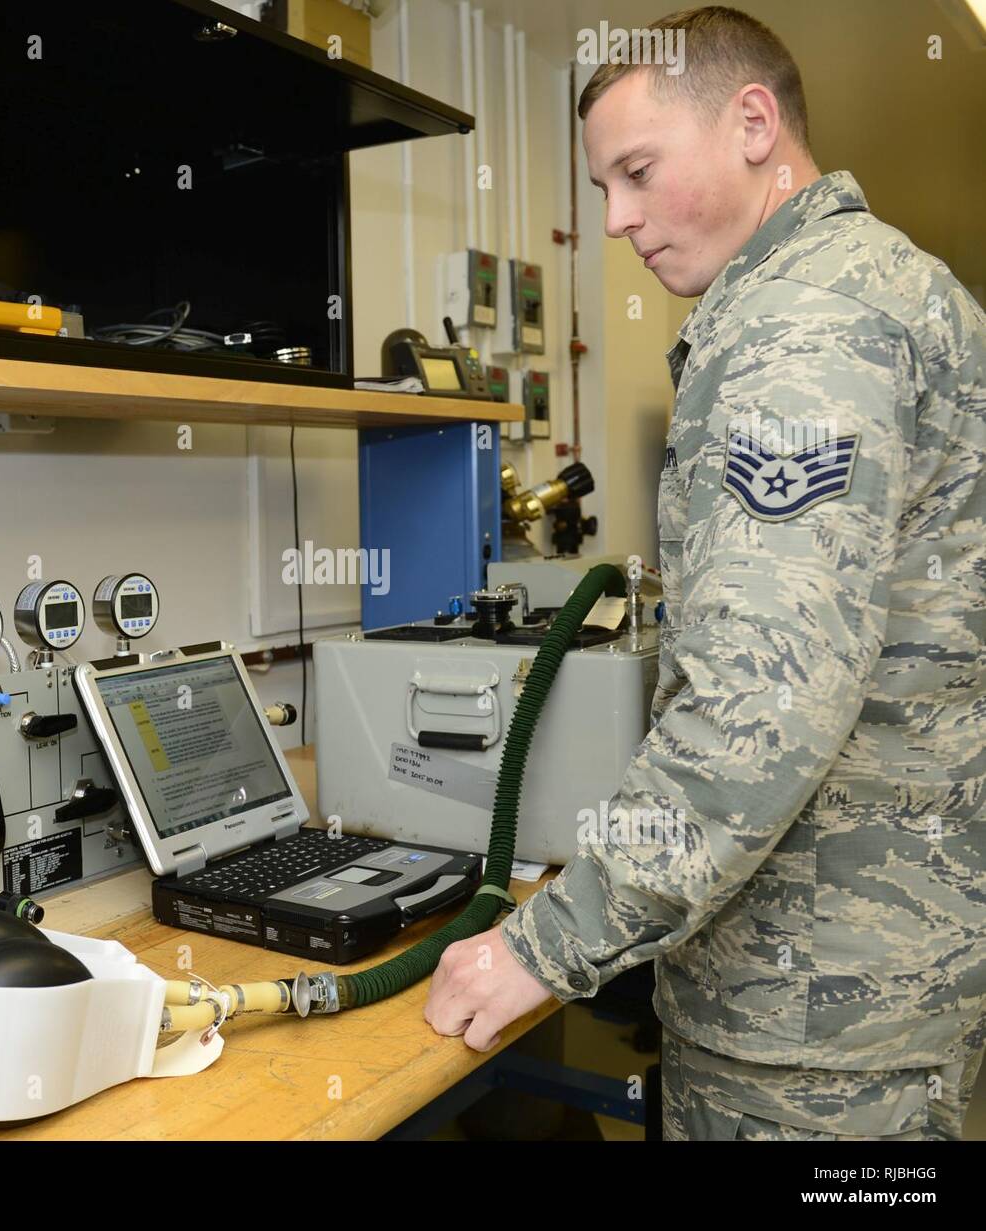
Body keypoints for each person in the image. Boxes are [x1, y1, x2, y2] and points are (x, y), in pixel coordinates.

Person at [424, 4, 986, 1140]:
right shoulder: (892, 285)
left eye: (637, 172)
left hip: (810, 1019)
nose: (620, 220)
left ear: (750, 122)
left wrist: (547, 940)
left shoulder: (804, 327)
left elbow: (760, 707)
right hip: (880, 985)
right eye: (603, 191)